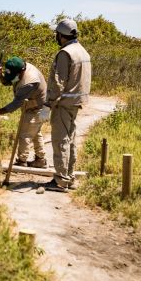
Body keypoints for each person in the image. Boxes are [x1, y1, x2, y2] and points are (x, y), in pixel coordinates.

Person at [43, 18, 92, 192]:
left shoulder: (65, 53)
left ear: (61, 35)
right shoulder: (83, 51)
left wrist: (48, 104)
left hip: (63, 104)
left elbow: (58, 82)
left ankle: (61, 180)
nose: (56, 37)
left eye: (57, 34)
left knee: (60, 141)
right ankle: (69, 177)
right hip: (76, 102)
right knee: (70, 140)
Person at [0, 56, 47, 168]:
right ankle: (40, 160)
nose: (12, 78)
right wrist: (1, 75)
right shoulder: (20, 69)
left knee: (25, 134)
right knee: (34, 132)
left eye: (14, 76)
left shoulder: (29, 82)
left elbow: (15, 104)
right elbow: (8, 81)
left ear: (21, 71)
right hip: (33, 106)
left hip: (37, 108)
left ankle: (22, 160)